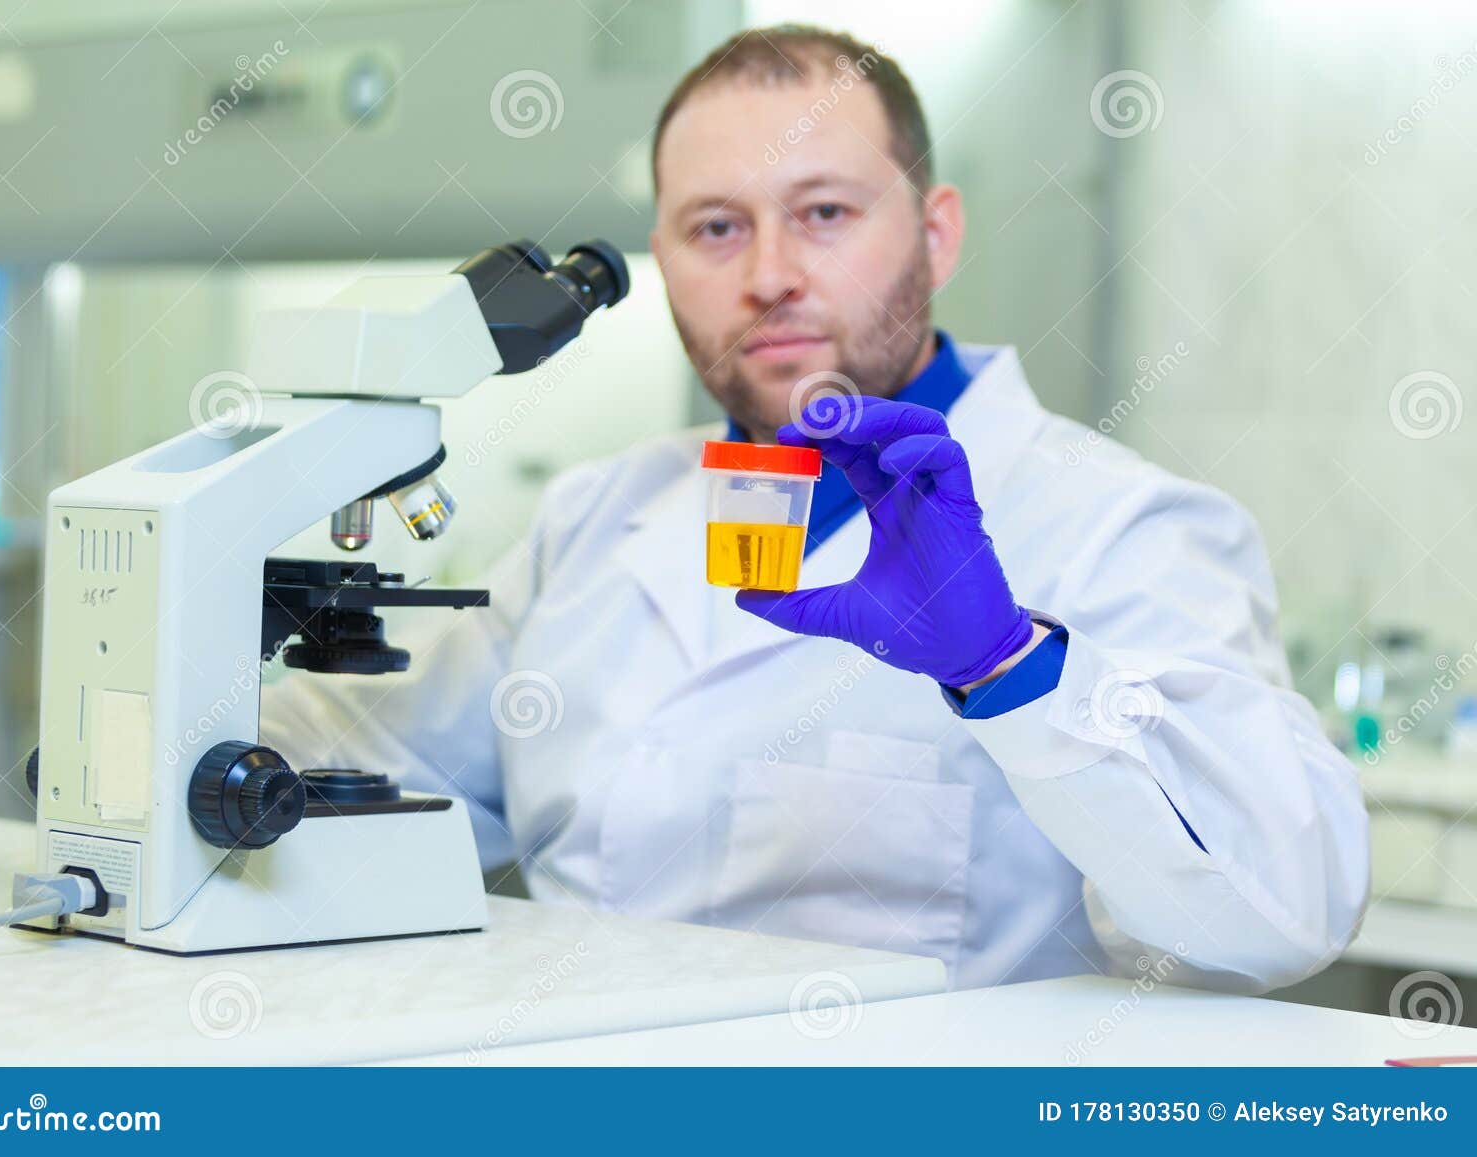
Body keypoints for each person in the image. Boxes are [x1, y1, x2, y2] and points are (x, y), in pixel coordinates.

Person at [261, 24, 1366, 992]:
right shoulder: (591, 516)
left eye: (824, 212)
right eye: (715, 227)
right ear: (663, 260)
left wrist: (1013, 670)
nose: (770, 275)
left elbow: (1282, 916)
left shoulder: (1124, 525)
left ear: (936, 233)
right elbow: (363, 776)